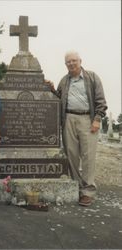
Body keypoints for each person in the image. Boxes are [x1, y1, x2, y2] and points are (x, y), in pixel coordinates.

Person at [46, 51, 107, 206]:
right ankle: (77, 187)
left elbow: (101, 100)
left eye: (74, 61)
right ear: (65, 64)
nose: (71, 64)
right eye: (68, 62)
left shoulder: (92, 77)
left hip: (88, 119)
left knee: (88, 156)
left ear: (80, 61)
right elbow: (59, 100)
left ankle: (87, 192)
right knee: (71, 155)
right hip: (68, 119)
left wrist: (97, 119)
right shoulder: (64, 81)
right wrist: (53, 89)